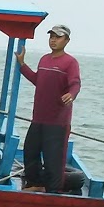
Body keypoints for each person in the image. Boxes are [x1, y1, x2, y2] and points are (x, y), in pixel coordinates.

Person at [16, 24, 82, 193]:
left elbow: (75, 83)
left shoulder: (70, 62)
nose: (53, 40)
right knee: (30, 152)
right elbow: (38, 80)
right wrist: (22, 65)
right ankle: (35, 184)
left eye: (58, 37)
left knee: (54, 159)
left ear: (67, 40)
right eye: (51, 36)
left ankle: (53, 191)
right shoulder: (44, 59)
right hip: (38, 118)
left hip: (57, 122)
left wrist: (72, 94)